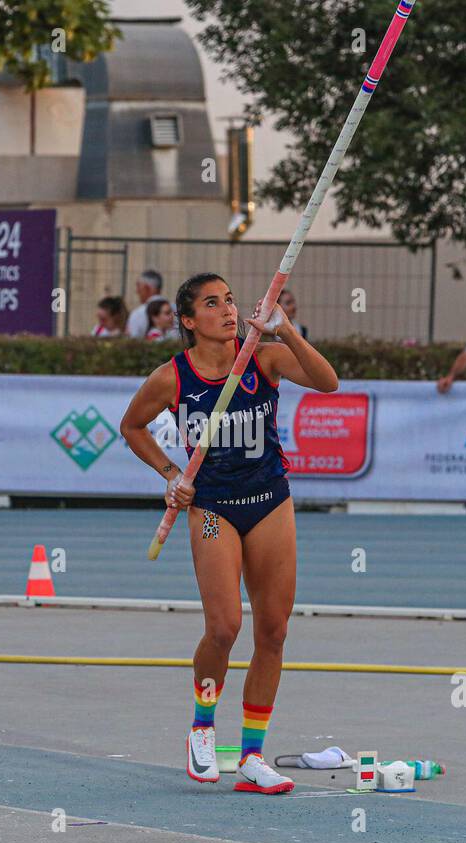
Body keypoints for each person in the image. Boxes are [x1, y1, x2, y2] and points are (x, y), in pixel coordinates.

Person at [119, 273, 339, 794]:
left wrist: (286, 331)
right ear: (189, 321)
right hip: (213, 509)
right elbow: (132, 427)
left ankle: (252, 757)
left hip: (269, 504)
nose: (227, 310)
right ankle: (201, 724)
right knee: (223, 628)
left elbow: (328, 383)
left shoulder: (261, 357)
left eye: (231, 300)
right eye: (212, 304)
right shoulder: (172, 377)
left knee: (274, 631)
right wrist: (172, 475)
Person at [126, 269, 165, 338]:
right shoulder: (176, 308)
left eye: (138, 286)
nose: (137, 291)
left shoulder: (138, 313)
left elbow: (132, 341)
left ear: (146, 288)